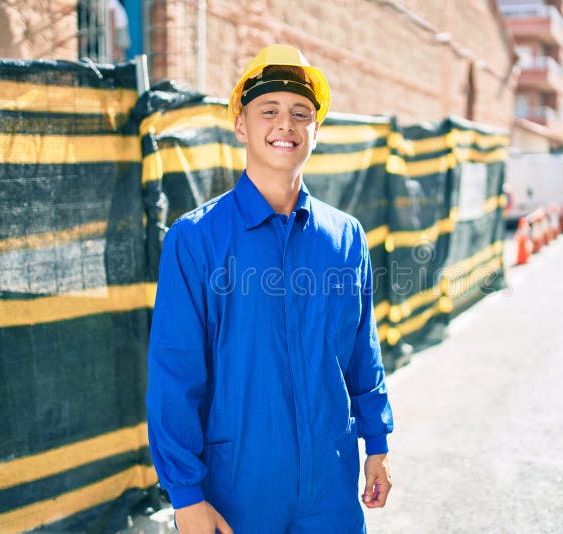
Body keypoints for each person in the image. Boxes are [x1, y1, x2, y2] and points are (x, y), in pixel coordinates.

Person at [145, 44, 394, 533]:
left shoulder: (346, 237)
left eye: (302, 113)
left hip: (330, 484)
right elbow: (176, 373)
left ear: (315, 132)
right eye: (270, 111)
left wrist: (377, 443)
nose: (287, 125)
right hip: (238, 490)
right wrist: (186, 495)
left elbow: (362, 353)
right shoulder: (195, 240)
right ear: (241, 125)